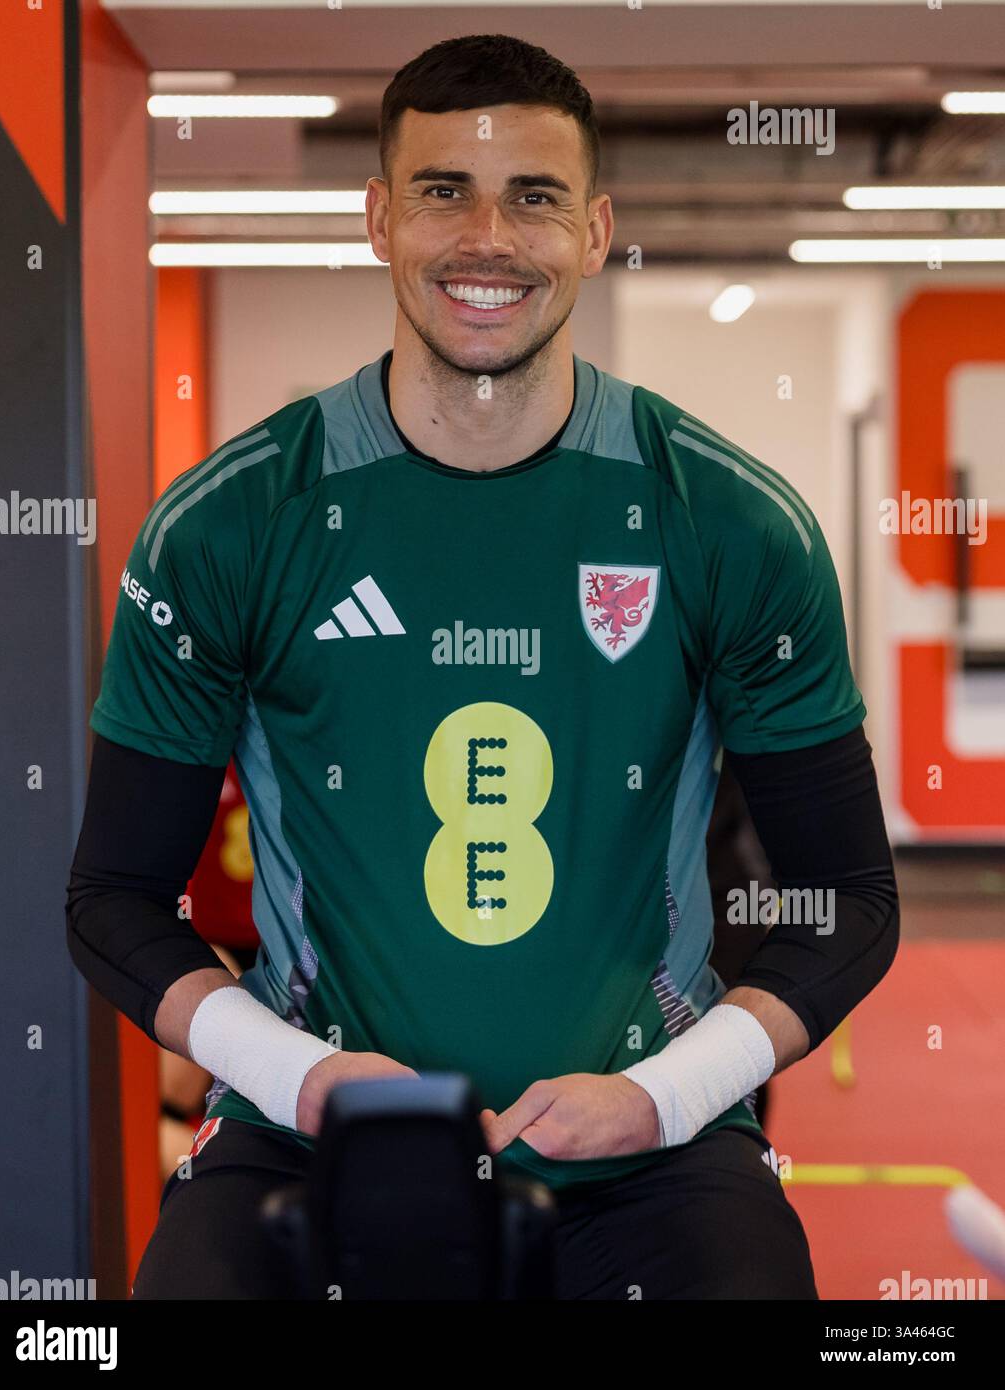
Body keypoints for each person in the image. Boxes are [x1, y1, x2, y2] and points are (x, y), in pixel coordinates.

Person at [67, 33, 899, 1300]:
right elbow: (114, 897)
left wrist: (660, 1096)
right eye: (444, 189)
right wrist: (301, 1074)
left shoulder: (728, 520)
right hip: (303, 1136)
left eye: (536, 197)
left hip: (650, 1155)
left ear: (597, 227)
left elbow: (846, 899)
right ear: (378, 216)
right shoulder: (229, 524)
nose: (488, 238)